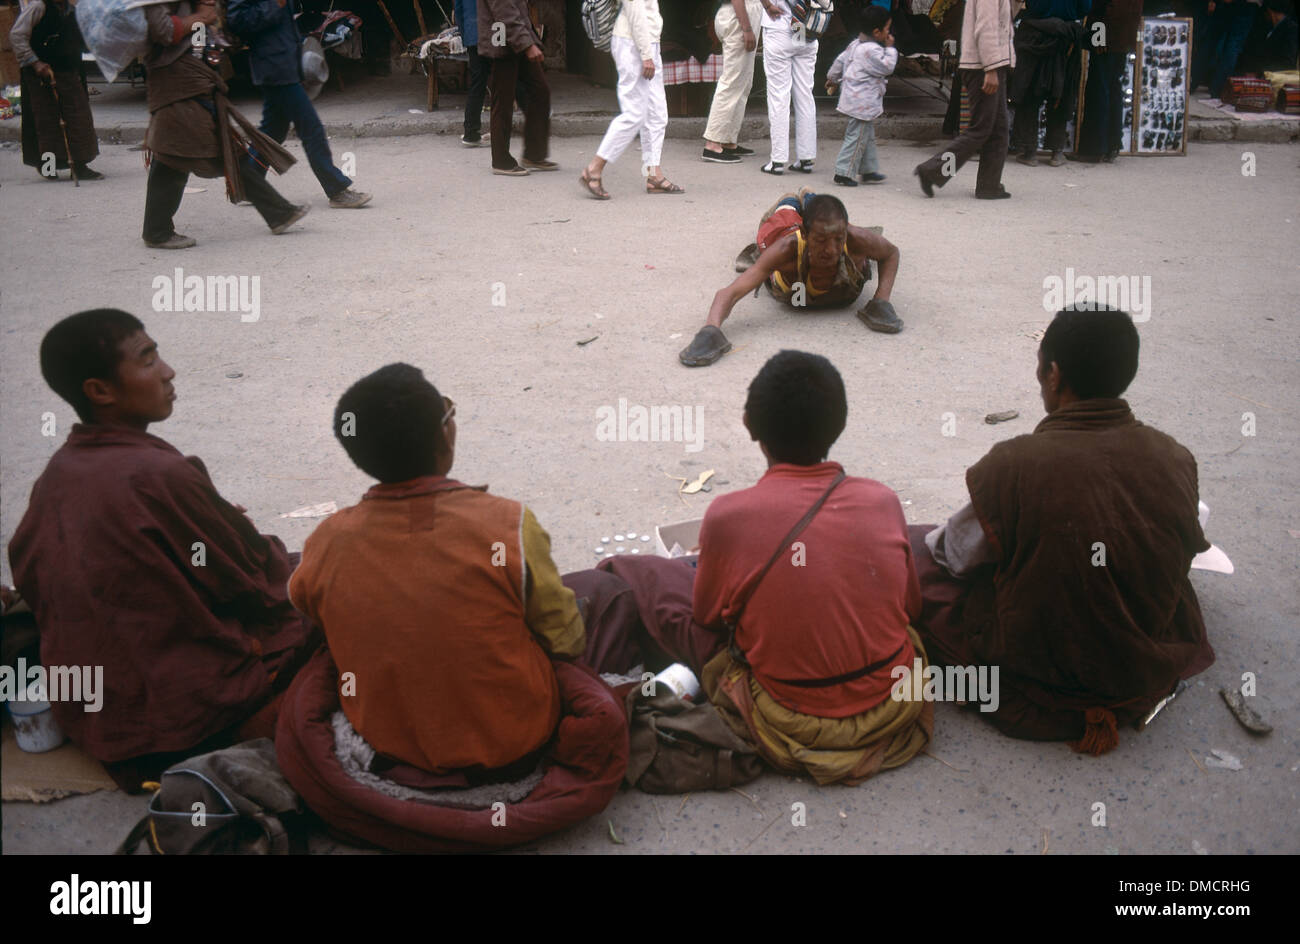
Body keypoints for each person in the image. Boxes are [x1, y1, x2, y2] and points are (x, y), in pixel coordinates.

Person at [576, 351, 933, 785]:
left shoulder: (729, 515)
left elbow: (707, 617)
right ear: (839, 423)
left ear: (748, 425)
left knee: (640, 576)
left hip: (786, 718)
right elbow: (910, 609)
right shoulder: (883, 501)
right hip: (893, 702)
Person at [8, 310, 316, 791]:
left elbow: (33, 572)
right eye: (148, 359)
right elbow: (254, 581)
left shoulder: (59, 471)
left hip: (96, 718)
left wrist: (207, 526)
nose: (168, 371)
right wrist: (235, 530)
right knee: (334, 592)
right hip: (183, 720)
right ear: (100, 391)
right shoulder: (159, 474)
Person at [910, 307, 1215, 753]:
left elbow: (954, 558)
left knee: (911, 553)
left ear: (1053, 375)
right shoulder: (1174, 456)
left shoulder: (1013, 463)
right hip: (1137, 667)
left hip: (1034, 673)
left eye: (1041, 367)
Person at [288, 364, 584, 776]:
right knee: (605, 590)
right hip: (515, 739)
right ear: (445, 436)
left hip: (388, 742)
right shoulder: (508, 525)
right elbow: (564, 639)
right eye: (448, 413)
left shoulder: (326, 541)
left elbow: (310, 610)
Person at [140, 0, 309, 249]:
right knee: (175, 153)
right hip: (177, 82)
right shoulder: (158, 3)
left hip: (195, 79)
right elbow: (163, 31)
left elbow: (199, 36)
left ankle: (278, 213)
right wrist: (203, 16)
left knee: (193, 149)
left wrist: (209, 21)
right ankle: (156, 231)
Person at [678, 192, 902, 366]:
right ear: (805, 234)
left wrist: (881, 300)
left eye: (838, 239)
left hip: (825, 245)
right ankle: (792, 199)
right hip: (789, 242)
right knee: (782, 218)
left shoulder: (855, 238)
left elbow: (891, 253)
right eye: (821, 240)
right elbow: (729, 293)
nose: (831, 250)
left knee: (824, 215)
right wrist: (711, 330)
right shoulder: (787, 248)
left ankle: (810, 196)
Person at [226, 0, 372, 209]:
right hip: (272, 66)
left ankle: (248, 183)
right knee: (311, 128)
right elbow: (238, 22)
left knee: (273, 129)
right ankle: (336, 189)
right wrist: (275, 5)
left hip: (287, 61)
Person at [580, 0, 683, 198]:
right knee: (634, 114)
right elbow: (635, 11)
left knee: (657, 113)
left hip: (647, 42)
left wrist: (649, 50)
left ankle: (653, 174)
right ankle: (593, 169)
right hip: (633, 44)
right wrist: (646, 54)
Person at [914, 0, 1016, 199]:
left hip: (987, 65)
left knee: (998, 129)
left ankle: (989, 185)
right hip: (983, 67)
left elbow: (1002, 23)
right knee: (980, 130)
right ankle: (932, 171)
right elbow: (986, 28)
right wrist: (991, 68)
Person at [11, 0, 104, 181]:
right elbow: (17, 36)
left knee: (78, 119)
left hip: (69, 72)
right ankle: (48, 166)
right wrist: (35, 62)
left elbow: (82, 41)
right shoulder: (38, 7)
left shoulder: (72, 11)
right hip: (41, 74)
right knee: (47, 122)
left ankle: (79, 166)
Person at [477, 0, 556, 175]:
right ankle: (501, 161)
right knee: (503, 102)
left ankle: (534, 154)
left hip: (517, 38)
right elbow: (504, 10)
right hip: (502, 41)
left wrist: (529, 40)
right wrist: (527, 45)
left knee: (540, 92)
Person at [1009, 0, 1088, 168]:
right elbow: (1085, 8)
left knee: (1030, 93)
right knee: (1061, 94)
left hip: (1034, 33)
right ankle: (1057, 152)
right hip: (1065, 36)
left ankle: (1029, 152)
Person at [825, 5, 898, 186]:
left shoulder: (855, 44)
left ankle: (868, 169)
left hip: (855, 99)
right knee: (856, 138)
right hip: (862, 103)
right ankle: (843, 172)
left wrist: (832, 78)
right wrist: (890, 49)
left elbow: (840, 60)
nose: (888, 33)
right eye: (887, 29)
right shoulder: (872, 50)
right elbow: (887, 67)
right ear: (877, 32)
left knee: (866, 136)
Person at [1071, 0, 1141, 163]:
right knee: (1113, 88)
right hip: (1121, 39)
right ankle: (1112, 145)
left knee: (1098, 89)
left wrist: (1099, 39)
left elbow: (1107, 9)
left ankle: (1094, 149)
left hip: (1108, 38)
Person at [759, 0, 819, 174]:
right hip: (803, 27)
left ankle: (777, 160)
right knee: (805, 95)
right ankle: (806, 158)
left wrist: (767, 6)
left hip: (778, 26)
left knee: (779, 96)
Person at [701, 0, 763, 163]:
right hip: (738, 16)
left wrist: (768, 6)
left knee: (743, 83)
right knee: (732, 82)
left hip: (741, 14)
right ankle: (713, 143)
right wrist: (747, 29)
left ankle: (727, 140)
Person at [454, 0, 490, 146]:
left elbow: (458, 11)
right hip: (492, 34)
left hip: (472, 35)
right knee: (506, 78)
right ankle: (536, 115)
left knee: (477, 83)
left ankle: (471, 132)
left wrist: (466, 37)